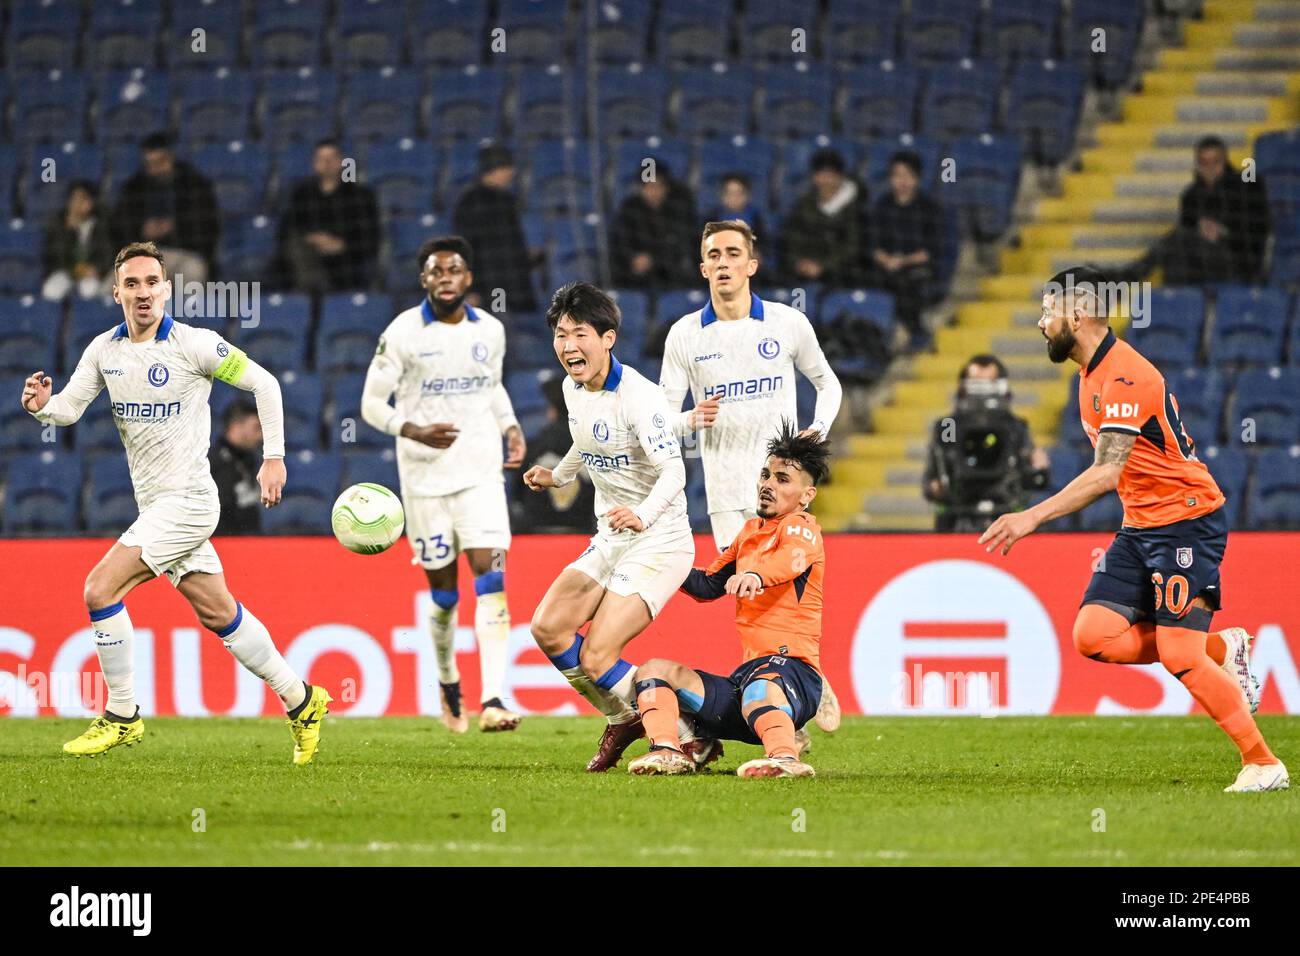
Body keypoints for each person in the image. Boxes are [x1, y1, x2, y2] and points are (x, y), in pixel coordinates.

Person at [21, 242, 331, 763]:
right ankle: (303, 701)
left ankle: (122, 714)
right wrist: (42, 408)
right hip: (155, 506)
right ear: (116, 291)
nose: (143, 293)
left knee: (99, 589)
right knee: (219, 613)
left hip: (188, 503)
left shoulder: (195, 346)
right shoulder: (104, 350)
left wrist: (273, 458)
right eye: (132, 284)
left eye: (152, 283)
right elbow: (69, 409)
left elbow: (266, 384)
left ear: (167, 289)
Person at [980, 266, 1285, 794]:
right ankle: (1223, 650)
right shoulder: (1087, 376)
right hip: (1142, 526)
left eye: (1049, 311)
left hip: (1186, 523)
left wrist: (1031, 516)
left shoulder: (1125, 375)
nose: (1040, 322)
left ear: (1077, 314)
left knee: (1178, 654)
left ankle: (1263, 763)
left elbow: (1106, 472)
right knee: (1093, 637)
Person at [523, 282, 701, 773]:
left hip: (660, 539)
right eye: (560, 335)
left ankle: (690, 737)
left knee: (599, 654)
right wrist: (558, 474)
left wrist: (642, 513)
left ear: (608, 338)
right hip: (613, 535)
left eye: (579, 334)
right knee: (549, 628)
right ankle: (624, 716)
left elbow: (674, 471)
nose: (567, 346)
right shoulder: (571, 388)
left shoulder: (640, 397)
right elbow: (587, 441)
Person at [361, 235, 526, 733]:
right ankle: (448, 676)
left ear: (468, 278)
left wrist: (511, 426)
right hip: (425, 481)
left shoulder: (491, 331)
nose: (445, 278)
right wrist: (412, 429)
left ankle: (495, 697)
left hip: (480, 474)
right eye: (436, 271)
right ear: (424, 280)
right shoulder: (402, 333)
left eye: (454, 270)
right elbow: (371, 405)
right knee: (444, 594)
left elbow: (490, 385)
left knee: (492, 577)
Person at [626, 423, 829, 779]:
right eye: (766, 474)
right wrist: (657, 560)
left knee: (761, 687)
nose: (768, 484)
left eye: (782, 479)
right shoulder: (750, 533)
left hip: (794, 672)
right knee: (653, 670)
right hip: (747, 678)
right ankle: (667, 751)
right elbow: (707, 585)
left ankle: (786, 758)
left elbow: (792, 560)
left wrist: (756, 576)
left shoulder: (802, 527)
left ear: (806, 494)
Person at [660, 220, 842, 551]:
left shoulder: (787, 322)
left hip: (784, 487)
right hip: (725, 493)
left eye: (733, 253)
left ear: (751, 265)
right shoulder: (684, 334)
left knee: (783, 590)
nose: (723, 262)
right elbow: (660, 422)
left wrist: (819, 428)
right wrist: (689, 419)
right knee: (747, 592)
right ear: (704, 269)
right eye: (714, 255)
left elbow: (828, 383)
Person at [922, 354, 1049, 532]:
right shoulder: (948, 427)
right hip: (957, 519)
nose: (982, 392)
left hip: (1006, 514)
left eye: (989, 384)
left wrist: (1037, 469)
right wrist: (939, 486)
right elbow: (934, 479)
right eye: (976, 384)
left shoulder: (1014, 427)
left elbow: (1035, 479)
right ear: (963, 387)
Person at [1123, 136, 1271, 285]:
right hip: (1199, 258)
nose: (1210, 168)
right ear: (1198, 164)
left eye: (1216, 162)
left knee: (1176, 241)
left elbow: (1258, 230)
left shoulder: (1246, 186)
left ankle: (1128, 277)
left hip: (1237, 259)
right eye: (1205, 163)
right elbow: (1186, 228)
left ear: (1225, 161)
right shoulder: (1191, 196)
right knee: (1175, 254)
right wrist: (1201, 230)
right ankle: (1174, 298)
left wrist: (1222, 232)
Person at [110, 132, 219, 284]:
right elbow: (119, 227)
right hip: (142, 255)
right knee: (110, 285)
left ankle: (188, 309)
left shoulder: (194, 185)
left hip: (183, 253)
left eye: (160, 162)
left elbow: (207, 228)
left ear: (171, 158)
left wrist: (173, 227)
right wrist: (142, 230)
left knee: (193, 272)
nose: (155, 169)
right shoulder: (134, 188)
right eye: (150, 164)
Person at [278, 139, 381, 293]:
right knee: (296, 250)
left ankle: (313, 297)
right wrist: (314, 239)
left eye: (331, 158)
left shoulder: (360, 196)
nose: (327, 163)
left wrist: (341, 244)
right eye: (321, 159)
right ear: (314, 163)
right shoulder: (302, 194)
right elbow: (288, 229)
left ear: (341, 161)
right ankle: (317, 292)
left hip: (346, 258)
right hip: (307, 254)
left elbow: (370, 236)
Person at [866, 151, 944, 350]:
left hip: (916, 267)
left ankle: (914, 332)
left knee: (904, 283)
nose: (902, 181)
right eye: (897, 175)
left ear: (917, 179)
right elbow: (873, 245)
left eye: (907, 175)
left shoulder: (929, 208)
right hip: (885, 266)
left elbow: (930, 250)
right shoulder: (881, 206)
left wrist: (903, 261)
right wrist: (886, 260)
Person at [451, 143, 538, 312]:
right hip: (492, 286)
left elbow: (509, 242)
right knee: (499, 326)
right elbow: (464, 247)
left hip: (513, 282)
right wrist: (471, 289)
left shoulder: (506, 199)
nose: (512, 173)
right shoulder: (470, 203)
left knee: (514, 329)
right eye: (507, 167)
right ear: (494, 169)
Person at [517, 373, 596, 533]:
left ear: (552, 411)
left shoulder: (534, 447)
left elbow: (518, 494)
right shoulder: (594, 446)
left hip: (535, 534)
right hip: (584, 532)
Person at [779, 147, 867, 288]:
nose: (826, 180)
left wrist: (823, 266)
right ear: (814, 177)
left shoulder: (855, 207)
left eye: (831, 175)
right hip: (804, 271)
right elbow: (792, 238)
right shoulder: (804, 204)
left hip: (840, 273)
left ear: (840, 176)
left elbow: (852, 247)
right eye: (821, 174)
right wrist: (799, 262)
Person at [609, 164, 699, 288]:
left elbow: (683, 243)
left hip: (670, 272)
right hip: (634, 272)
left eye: (657, 186)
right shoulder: (629, 209)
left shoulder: (679, 209)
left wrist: (654, 259)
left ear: (666, 188)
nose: (653, 192)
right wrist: (633, 258)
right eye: (648, 187)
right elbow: (621, 241)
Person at [41, 180, 115, 302]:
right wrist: (69, 231)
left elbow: (107, 253)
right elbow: (55, 256)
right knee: (51, 291)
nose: (78, 204)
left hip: (91, 273)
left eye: (83, 199)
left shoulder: (100, 225)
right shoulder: (58, 225)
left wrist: (97, 269)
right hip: (66, 271)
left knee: (89, 290)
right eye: (75, 200)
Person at [209, 399, 263, 536]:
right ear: (236, 426)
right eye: (256, 427)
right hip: (224, 543)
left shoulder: (249, 459)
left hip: (248, 541)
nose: (260, 436)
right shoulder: (214, 462)